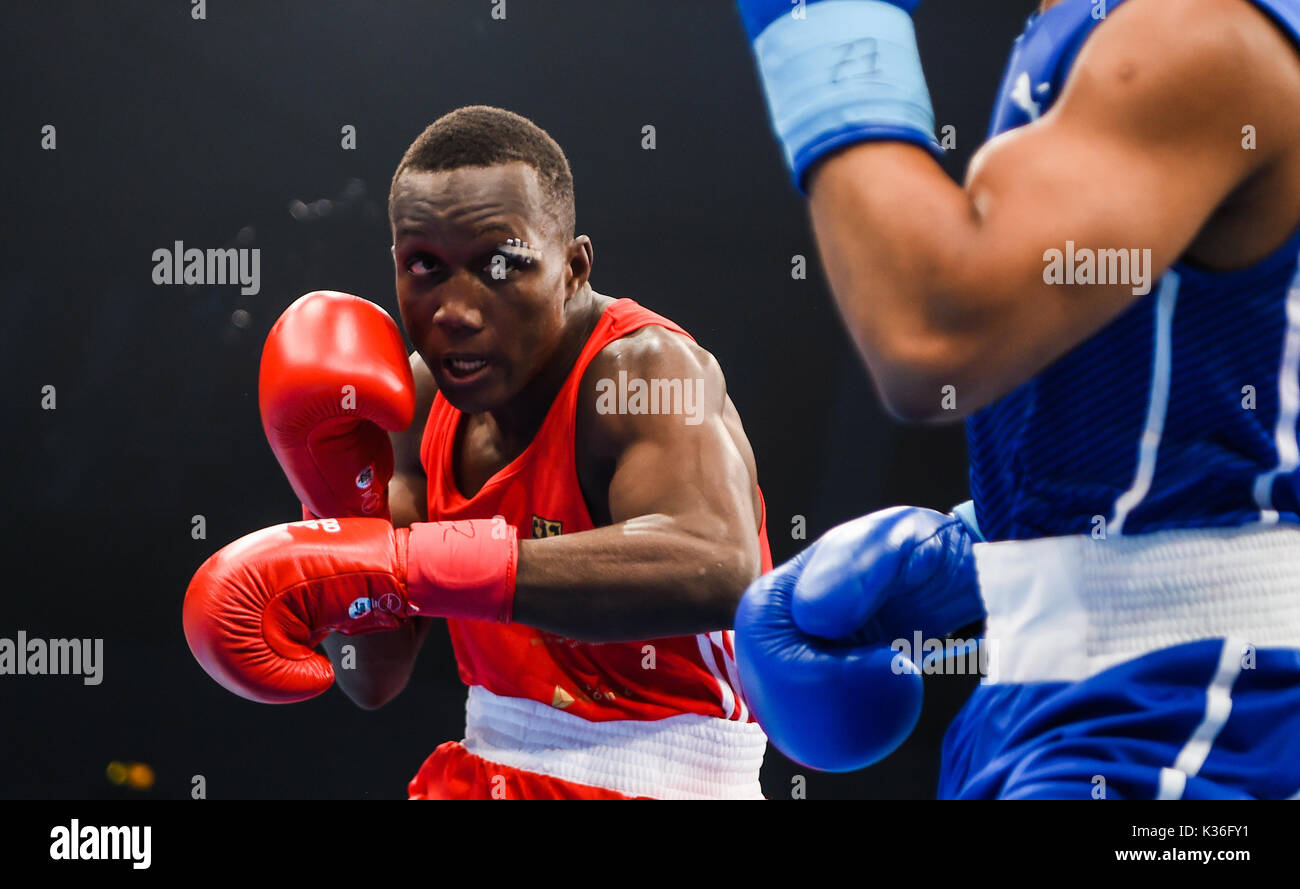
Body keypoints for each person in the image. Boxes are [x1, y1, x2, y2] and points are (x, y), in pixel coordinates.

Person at [734, 0, 1300, 798]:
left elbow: (933, 334)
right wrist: (998, 555)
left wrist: (819, 22)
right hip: (1097, 705)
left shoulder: (1195, 27)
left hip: (1182, 719)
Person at [184, 106, 772, 800]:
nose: (455, 309)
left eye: (499, 265)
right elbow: (374, 678)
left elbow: (718, 563)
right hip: (483, 765)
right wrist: (333, 503)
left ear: (573, 268)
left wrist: (417, 562)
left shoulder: (642, 371)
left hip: (665, 774)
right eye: (425, 266)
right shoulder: (419, 399)